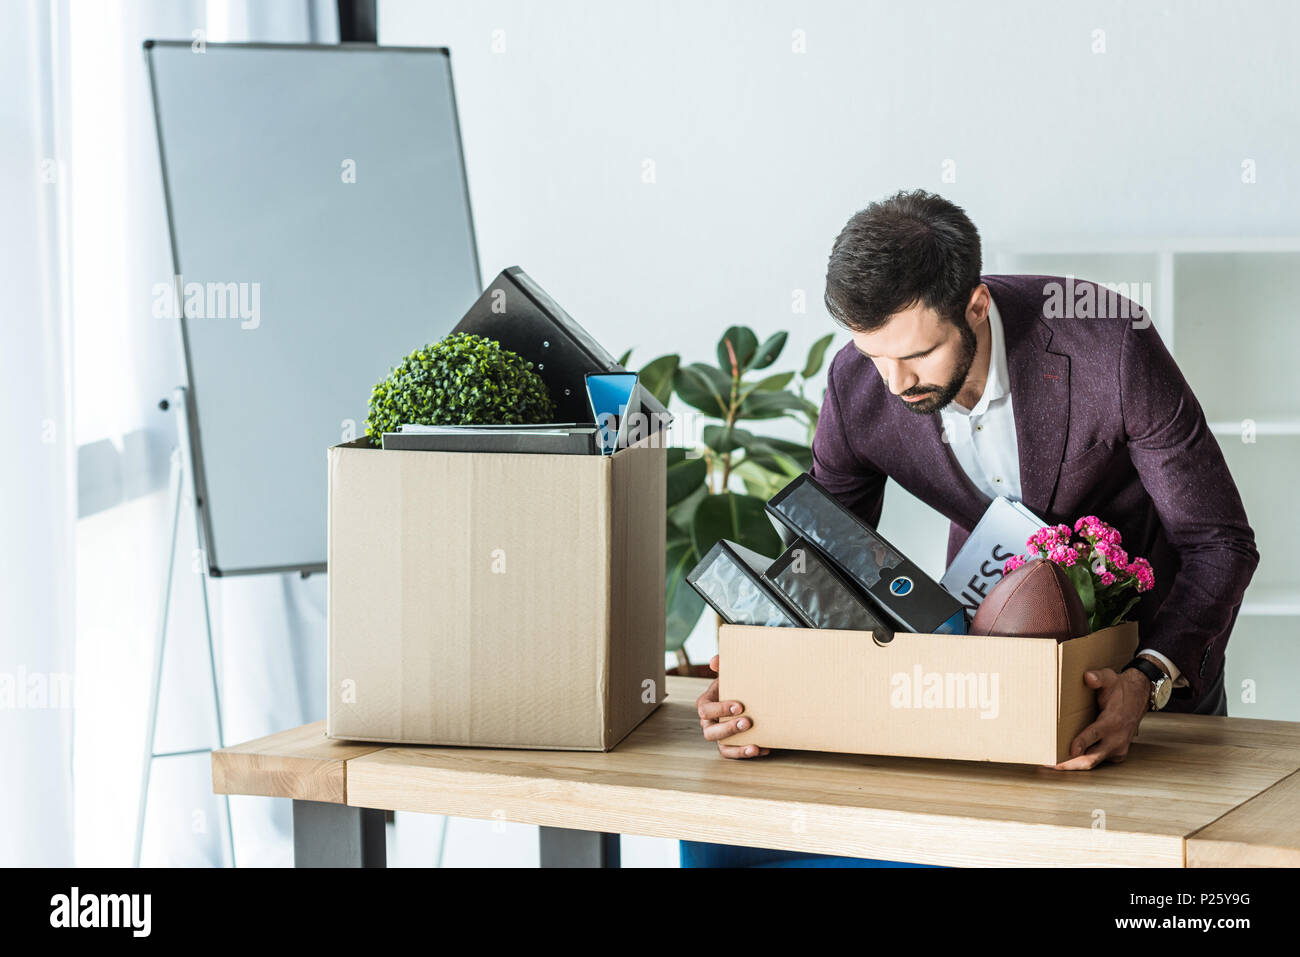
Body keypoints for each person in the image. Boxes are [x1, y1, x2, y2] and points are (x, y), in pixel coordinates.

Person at [686, 189, 1260, 868]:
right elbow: (818, 566)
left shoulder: (1109, 343)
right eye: (874, 356)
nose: (895, 383)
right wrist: (765, 674)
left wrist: (1149, 676)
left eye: (918, 354)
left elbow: (1219, 541)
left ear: (977, 306)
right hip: (990, 673)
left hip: (1142, 671)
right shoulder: (857, 385)